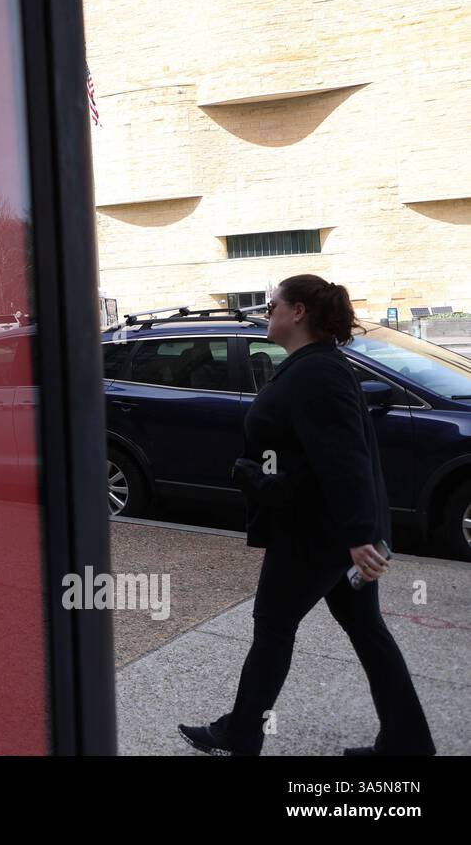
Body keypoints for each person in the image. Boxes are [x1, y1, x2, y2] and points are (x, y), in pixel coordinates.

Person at [179, 274, 435, 756]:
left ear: (298, 312)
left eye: (273, 304)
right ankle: (408, 741)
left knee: (273, 629)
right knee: (366, 631)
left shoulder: (317, 372)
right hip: (332, 532)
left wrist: (361, 537)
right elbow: (315, 454)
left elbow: (345, 459)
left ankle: (240, 734)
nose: (266, 312)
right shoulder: (313, 367)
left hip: (315, 535)